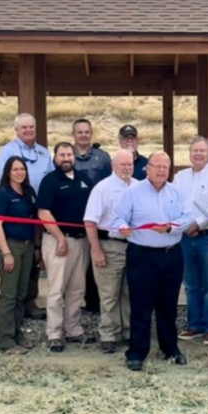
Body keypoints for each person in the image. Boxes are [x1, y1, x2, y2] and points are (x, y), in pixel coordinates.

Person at [113, 151, 194, 372]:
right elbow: (118, 216)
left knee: (168, 306)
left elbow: (188, 217)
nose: (160, 170)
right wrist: (122, 227)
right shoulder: (133, 192)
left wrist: (170, 227)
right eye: (156, 166)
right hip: (142, 256)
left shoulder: (177, 193)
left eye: (164, 167)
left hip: (171, 255)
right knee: (141, 306)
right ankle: (137, 352)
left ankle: (170, 348)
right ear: (146, 168)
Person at [37, 142, 96, 353]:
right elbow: (44, 213)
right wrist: (60, 238)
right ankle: (54, 333)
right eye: (62, 155)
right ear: (55, 158)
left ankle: (74, 330)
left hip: (82, 241)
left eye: (69, 154)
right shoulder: (50, 181)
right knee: (56, 290)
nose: (66, 158)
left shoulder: (84, 180)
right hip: (58, 241)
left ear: (74, 157)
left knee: (77, 289)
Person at [0, 113, 54, 320]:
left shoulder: (44, 153)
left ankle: (31, 301)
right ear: (16, 130)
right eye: (24, 128)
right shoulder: (7, 152)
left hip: (38, 213)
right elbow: (3, 180)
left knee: (33, 262)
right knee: (12, 281)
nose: (28, 131)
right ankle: (9, 327)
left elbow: (52, 180)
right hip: (15, 212)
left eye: (31, 127)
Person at [174, 136, 208, 345]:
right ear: (189, 153)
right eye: (195, 151)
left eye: (202, 151)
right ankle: (194, 325)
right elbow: (175, 203)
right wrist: (187, 226)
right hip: (186, 238)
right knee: (191, 284)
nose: (198, 154)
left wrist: (197, 224)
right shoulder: (180, 177)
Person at [84, 149, 138, 354]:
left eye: (130, 164)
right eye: (123, 164)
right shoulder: (102, 189)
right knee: (109, 294)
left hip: (133, 247)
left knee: (129, 292)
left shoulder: (139, 186)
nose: (127, 168)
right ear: (113, 165)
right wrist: (96, 250)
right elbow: (90, 222)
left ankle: (127, 332)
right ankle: (108, 335)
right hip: (109, 246)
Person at [0, 156, 41, 355]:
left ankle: (16, 332)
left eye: (22, 169)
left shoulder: (29, 192)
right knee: (9, 294)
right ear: (8, 172)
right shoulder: (2, 194)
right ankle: (4, 340)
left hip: (28, 247)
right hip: (10, 246)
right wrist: (6, 253)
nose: (19, 172)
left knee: (21, 294)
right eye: (15, 169)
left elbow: (35, 220)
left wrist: (37, 247)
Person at [72, 118, 112, 314]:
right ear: (74, 135)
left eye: (87, 132)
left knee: (97, 258)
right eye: (79, 132)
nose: (83, 135)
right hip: (73, 217)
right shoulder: (66, 155)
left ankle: (95, 303)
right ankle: (75, 302)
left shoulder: (102, 157)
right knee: (77, 262)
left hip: (98, 218)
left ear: (91, 134)